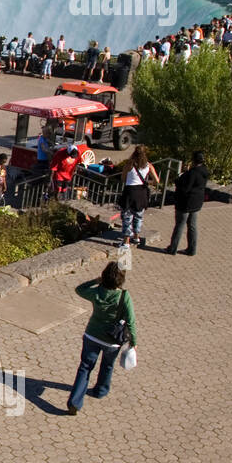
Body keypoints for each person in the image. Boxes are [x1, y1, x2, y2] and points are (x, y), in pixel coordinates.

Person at [66, 262, 137, 415]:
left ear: (104, 276)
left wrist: (95, 281)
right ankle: (100, 391)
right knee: (107, 366)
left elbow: (79, 289)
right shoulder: (124, 296)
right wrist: (134, 342)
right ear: (121, 279)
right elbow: (131, 321)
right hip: (112, 341)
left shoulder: (97, 292)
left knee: (85, 367)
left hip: (92, 335)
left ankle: (75, 402)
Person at [165, 150, 208, 256]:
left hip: (185, 203)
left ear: (193, 160)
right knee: (192, 226)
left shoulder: (192, 173)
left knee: (180, 225)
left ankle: (172, 248)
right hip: (197, 202)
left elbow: (184, 187)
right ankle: (192, 249)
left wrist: (182, 176)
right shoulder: (204, 171)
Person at [119, 146, 159, 246]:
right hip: (141, 193)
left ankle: (126, 241)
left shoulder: (130, 164)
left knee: (127, 217)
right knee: (138, 216)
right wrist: (147, 182)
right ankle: (136, 237)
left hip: (130, 192)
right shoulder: (148, 165)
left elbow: (123, 178)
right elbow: (156, 181)